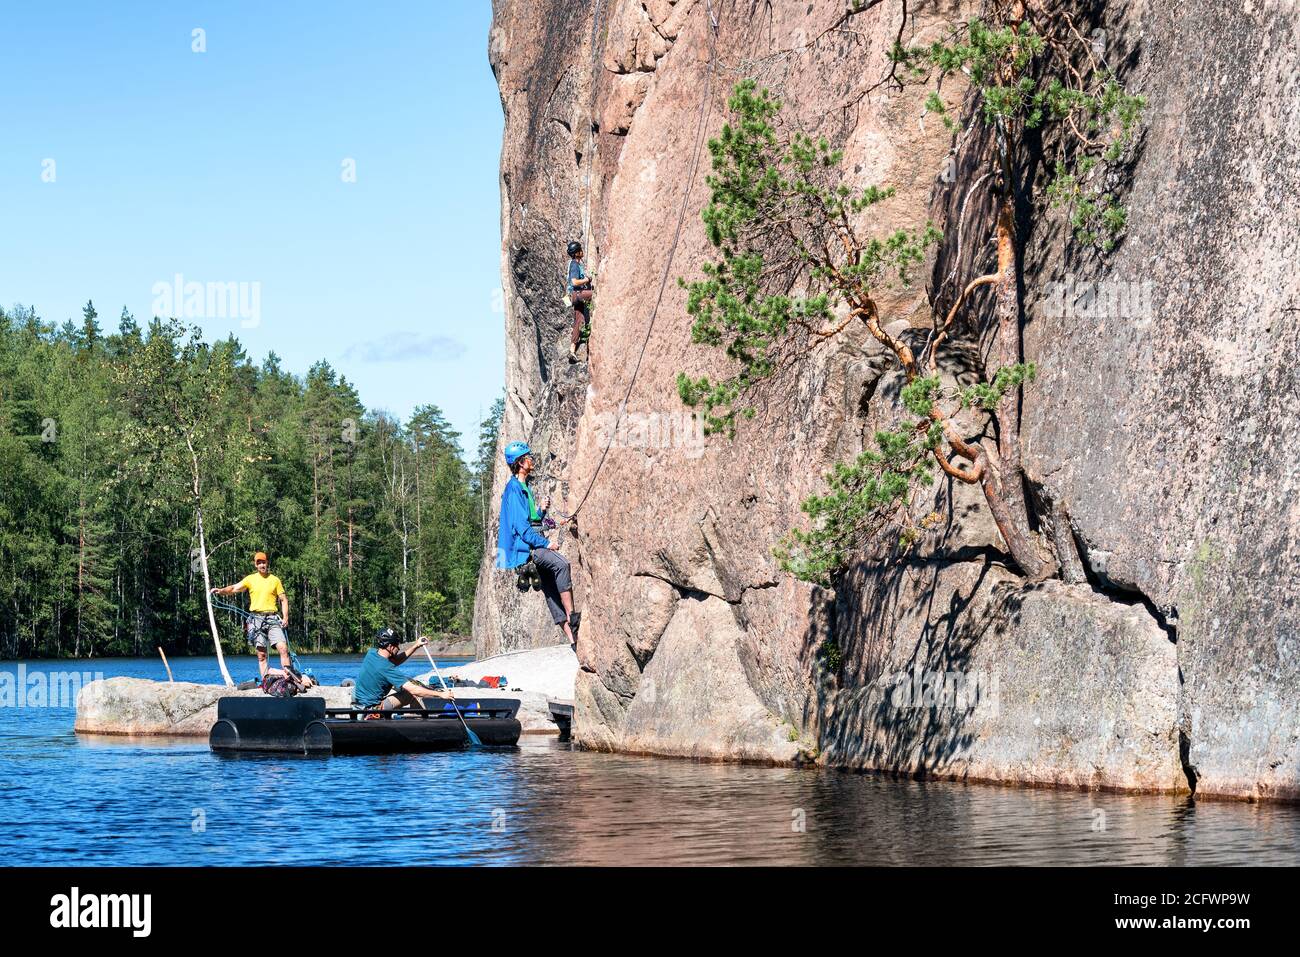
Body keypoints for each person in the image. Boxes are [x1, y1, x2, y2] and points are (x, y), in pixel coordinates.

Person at [497, 441, 580, 646]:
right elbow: (522, 528)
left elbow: (532, 521)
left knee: (551, 590)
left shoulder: (524, 487)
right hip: (527, 550)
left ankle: (573, 640)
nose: (531, 460)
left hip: (529, 547)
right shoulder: (514, 489)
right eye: (528, 457)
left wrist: (541, 510)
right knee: (561, 565)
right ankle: (573, 619)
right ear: (520, 463)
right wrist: (546, 543)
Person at [211, 552, 292, 680]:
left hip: (272, 618)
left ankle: (289, 679)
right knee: (261, 654)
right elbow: (233, 588)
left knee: (283, 648)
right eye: (259, 563)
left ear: (267, 563)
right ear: (256, 565)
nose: (262, 565)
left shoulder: (275, 580)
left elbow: (284, 600)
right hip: (256, 619)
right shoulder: (250, 579)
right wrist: (220, 591)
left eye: (263, 562)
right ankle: (266, 682)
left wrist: (286, 617)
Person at [352, 629, 453, 711]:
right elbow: (414, 690)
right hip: (372, 709)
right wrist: (441, 694)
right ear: (391, 647)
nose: (399, 648)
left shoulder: (372, 653)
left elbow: (395, 661)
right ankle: (417, 723)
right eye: (397, 645)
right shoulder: (386, 668)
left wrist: (416, 645)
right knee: (413, 693)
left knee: (407, 682)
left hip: (358, 703)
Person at [566, 240, 593, 360]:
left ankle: (572, 351)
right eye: (580, 250)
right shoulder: (574, 264)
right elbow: (574, 281)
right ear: (577, 253)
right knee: (596, 294)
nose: (582, 251)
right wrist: (587, 280)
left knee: (577, 322)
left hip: (576, 296)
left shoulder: (576, 264)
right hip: (577, 294)